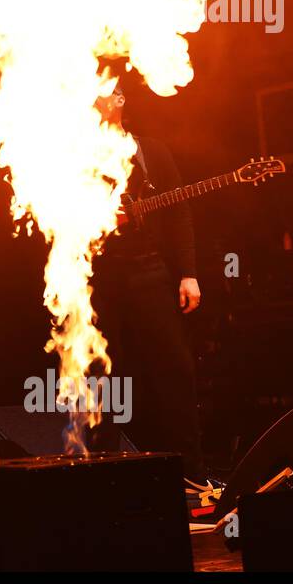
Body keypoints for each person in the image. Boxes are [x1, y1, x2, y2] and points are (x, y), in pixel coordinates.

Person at [89, 88, 220, 515]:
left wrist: (189, 272)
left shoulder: (152, 152)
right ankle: (101, 477)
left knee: (175, 370)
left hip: (149, 271)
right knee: (101, 376)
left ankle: (193, 478)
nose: (106, 99)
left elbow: (180, 212)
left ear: (122, 100)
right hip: (97, 279)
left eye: (113, 93)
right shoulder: (74, 153)